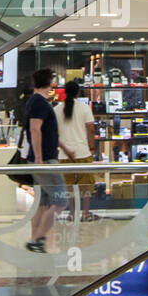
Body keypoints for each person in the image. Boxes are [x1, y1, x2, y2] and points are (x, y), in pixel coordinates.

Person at [22, 67, 67, 253]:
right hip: (45, 161)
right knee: (61, 201)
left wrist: (65, 149)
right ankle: (37, 240)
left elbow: (44, 131)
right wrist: (39, 158)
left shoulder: (35, 101)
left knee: (43, 203)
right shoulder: (39, 103)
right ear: (49, 82)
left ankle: (35, 239)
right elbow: (35, 129)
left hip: (42, 159)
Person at [57, 79, 97, 223]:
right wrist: (91, 147)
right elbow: (91, 129)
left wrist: (64, 149)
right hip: (83, 152)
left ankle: (72, 214)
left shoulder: (57, 109)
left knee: (69, 187)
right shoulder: (84, 108)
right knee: (86, 185)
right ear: (78, 93)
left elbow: (54, 134)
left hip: (64, 155)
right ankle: (85, 213)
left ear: (65, 92)